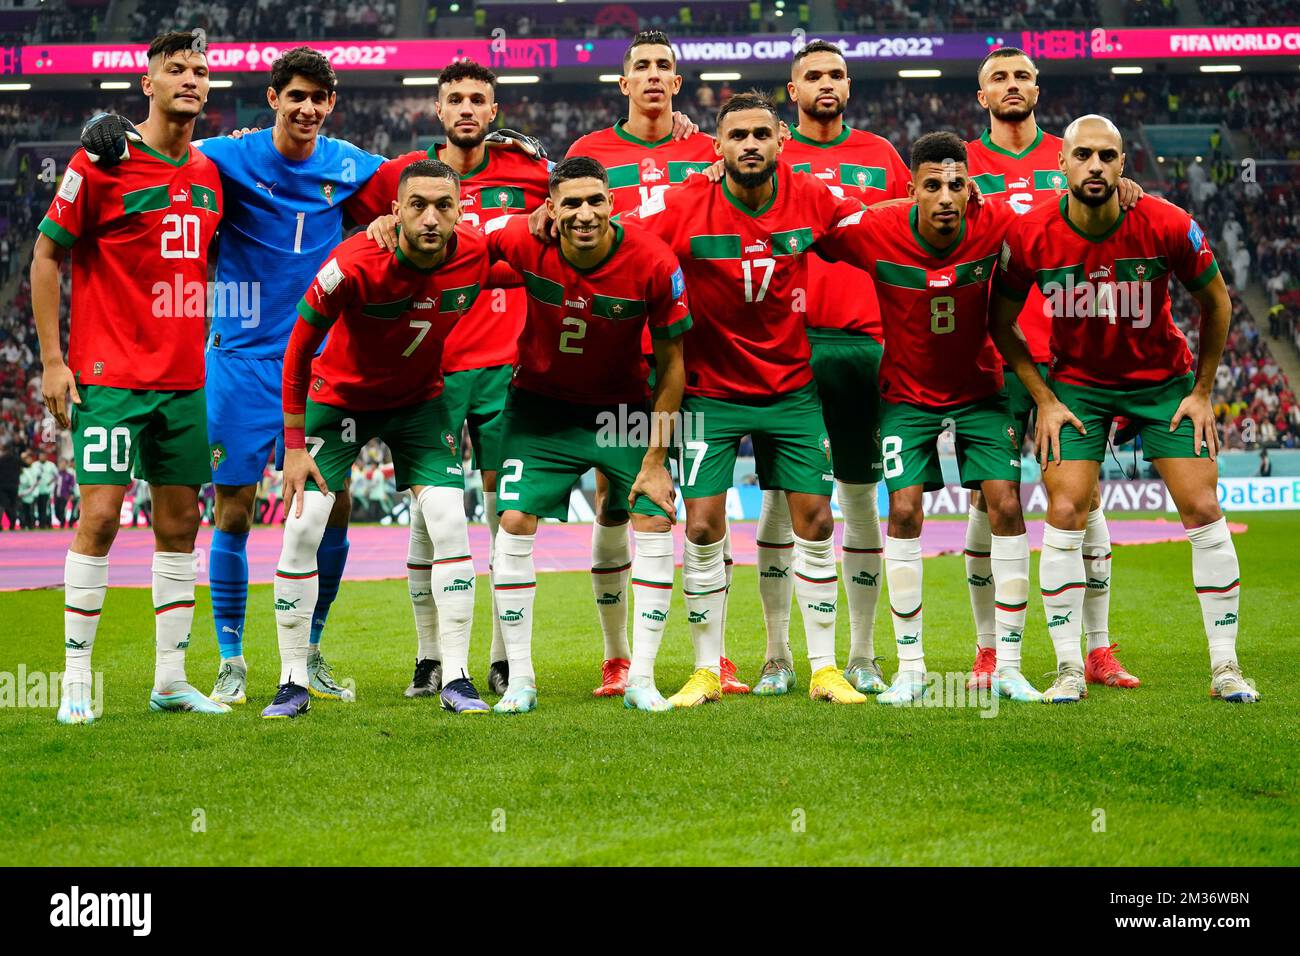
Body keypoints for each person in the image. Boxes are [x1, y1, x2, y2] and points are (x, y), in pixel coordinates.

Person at [991, 114, 1259, 704]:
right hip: (1078, 387)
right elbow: (1000, 321)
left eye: (1106, 157)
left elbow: (1216, 303)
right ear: (1060, 164)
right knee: (1064, 509)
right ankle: (1067, 669)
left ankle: (1226, 668)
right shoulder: (1031, 233)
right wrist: (1044, 398)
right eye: (1082, 155)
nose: (1095, 166)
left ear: (1122, 164)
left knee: (1202, 505)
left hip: (1162, 383)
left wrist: (1203, 390)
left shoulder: (1167, 223)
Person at [623, 91, 869, 707]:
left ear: (781, 142)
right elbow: (624, 245)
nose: (751, 145)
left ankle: (824, 669)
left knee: (815, 519)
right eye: (738, 136)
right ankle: (708, 669)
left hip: (790, 388)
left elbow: (874, 224)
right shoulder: (684, 206)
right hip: (711, 392)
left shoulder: (811, 197)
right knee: (703, 526)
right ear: (717, 147)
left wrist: (941, 202)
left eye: (762, 134)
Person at [266, 158, 512, 719]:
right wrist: (296, 445)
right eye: (417, 205)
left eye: (443, 206)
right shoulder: (352, 263)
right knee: (303, 527)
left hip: (418, 405)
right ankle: (291, 680)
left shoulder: (475, 251)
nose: (431, 217)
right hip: (340, 403)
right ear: (394, 210)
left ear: (460, 211)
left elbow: (527, 247)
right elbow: (299, 348)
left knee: (451, 520)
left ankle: (457, 676)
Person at [37, 32, 228, 724]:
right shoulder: (101, 161)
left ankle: (170, 680)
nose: (189, 78)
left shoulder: (209, 174)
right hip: (109, 379)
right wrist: (54, 362)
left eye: (200, 71)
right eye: (175, 69)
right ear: (147, 84)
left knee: (180, 524)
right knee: (99, 517)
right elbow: (45, 257)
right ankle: (76, 682)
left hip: (182, 380)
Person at [347, 59, 552, 700]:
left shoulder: (531, 171)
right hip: (429, 363)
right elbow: (348, 210)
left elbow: (589, 204)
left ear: (495, 111)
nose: (467, 108)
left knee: (504, 514)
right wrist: (376, 223)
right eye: (455, 99)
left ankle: (499, 657)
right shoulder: (401, 175)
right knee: (428, 516)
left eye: (479, 99)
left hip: (508, 366)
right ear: (438, 110)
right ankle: (430, 658)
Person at [815, 131, 1039, 704]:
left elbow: (1056, 224)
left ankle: (1007, 665)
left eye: (956, 185)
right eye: (932, 185)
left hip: (980, 391)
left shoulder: (996, 226)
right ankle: (911, 668)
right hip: (906, 397)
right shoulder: (876, 230)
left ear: (972, 191)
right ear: (910, 188)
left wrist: (1130, 190)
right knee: (906, 509)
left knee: (1006, 503)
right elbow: (807, 226)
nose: (945, 196)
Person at [533, 30, 718, 697]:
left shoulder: (708, 150)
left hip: (692, 342)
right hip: (616, 351)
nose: (652, 76)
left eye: (664, 66)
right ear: (624, 81)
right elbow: (550, 222)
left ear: (678, 80)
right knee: (617, 499)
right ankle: (618, 659)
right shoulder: (588, 154)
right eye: (640, 66)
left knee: (701, 501)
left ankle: (711, 656)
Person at [481, 156, 689, 713]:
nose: (583, 213)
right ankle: (521, 680)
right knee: (515, 521)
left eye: (594, 200)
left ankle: (640, 678)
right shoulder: (524, 242)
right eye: (570, 202)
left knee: (651, 516)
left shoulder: (652, 260)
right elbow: (455, 236)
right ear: (551, 208)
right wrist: (384, 224)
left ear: (612, 203)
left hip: (620, 412)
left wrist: (656, 459)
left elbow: (672, 366)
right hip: (539, 410)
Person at [964, 46, 1143, 691]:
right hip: (986, 360)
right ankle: (990, 650)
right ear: (980, 95)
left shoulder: (1077, 158)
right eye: (999, 79)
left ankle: (1096, 649)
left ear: (1038, 88)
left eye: (1022, 76)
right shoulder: (962, 165)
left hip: (1069, 360)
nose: (1012, 86)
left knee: (1083, 502)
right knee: (992, 504)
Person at [749, 40, 910, 698]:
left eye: (836, 74)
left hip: (864, 345)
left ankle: (864, 654)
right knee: (779, 505)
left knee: (858, 497)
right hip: (785, 349)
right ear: (792, 91)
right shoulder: (769, 156)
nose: (826, 83)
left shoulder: (883, 158)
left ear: (850, 86)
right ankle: (777, 654)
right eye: (812, 75)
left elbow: (911, 241)